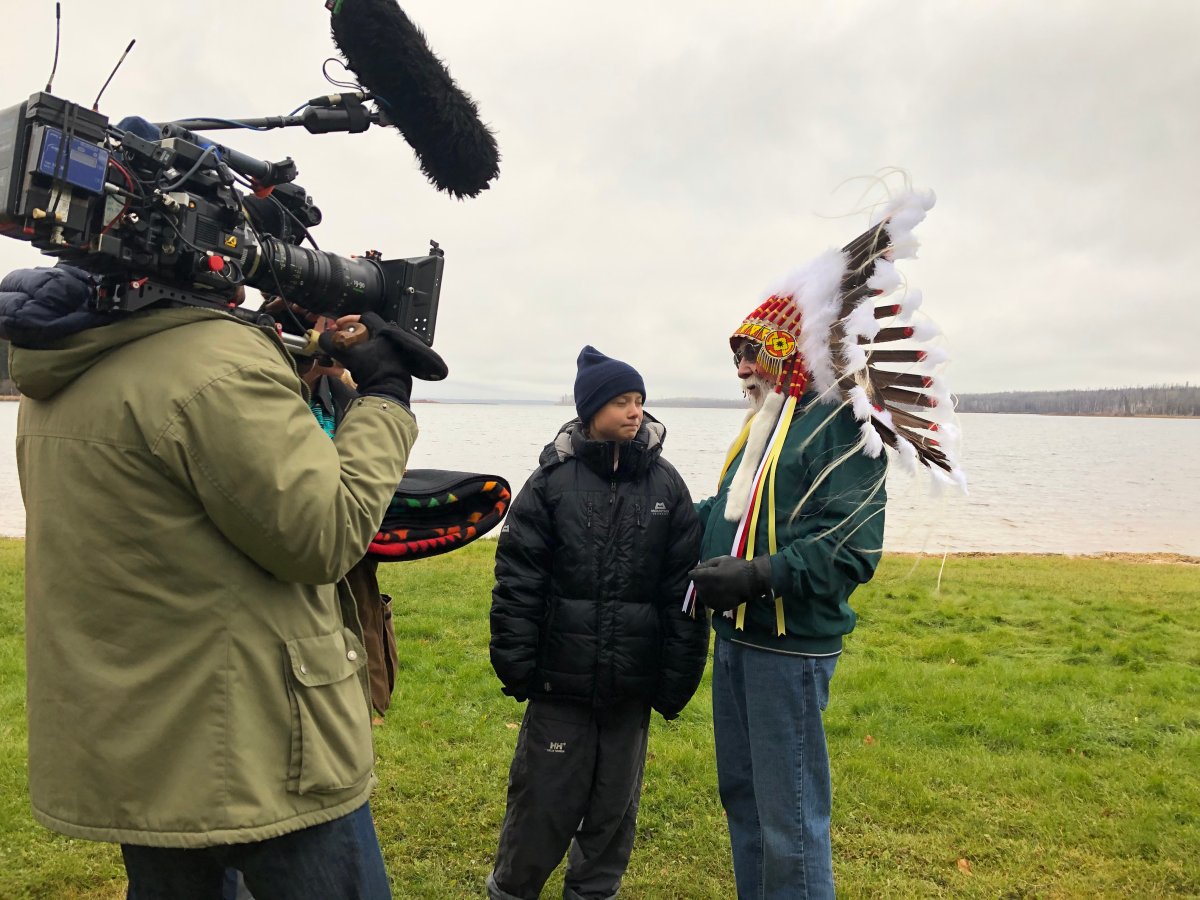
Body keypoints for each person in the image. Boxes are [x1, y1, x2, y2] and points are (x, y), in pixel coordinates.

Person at [2, 262, 443, 900]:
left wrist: (282, 351)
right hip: (256, 740)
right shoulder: (215, 366)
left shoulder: (71, 363)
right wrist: (386, 395)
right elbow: (327, 532)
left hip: (145, 736)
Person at [687, 187, 963, 899]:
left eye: (754, 353)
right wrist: (665, 517)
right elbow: (731, 512)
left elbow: (850, 549)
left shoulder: (840, 425)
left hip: (789, 649)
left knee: (789, 818)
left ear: (789, 351)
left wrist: (755, 577)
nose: (742, 369)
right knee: (743, 802)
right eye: (737, 355)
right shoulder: (765, 425)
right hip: (737, 640)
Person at [487, 346, 708, 900]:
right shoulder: (550, 484)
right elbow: (519, 580)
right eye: (621, 401)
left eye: (639, 400)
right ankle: (512, 892)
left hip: (631, 691)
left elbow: (683, 592)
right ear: (590, 410)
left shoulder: (667, 486)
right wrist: (516, 663)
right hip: (558, 687)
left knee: (613, 814)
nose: (635, 411)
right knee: (541, 807)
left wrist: (676, 677)